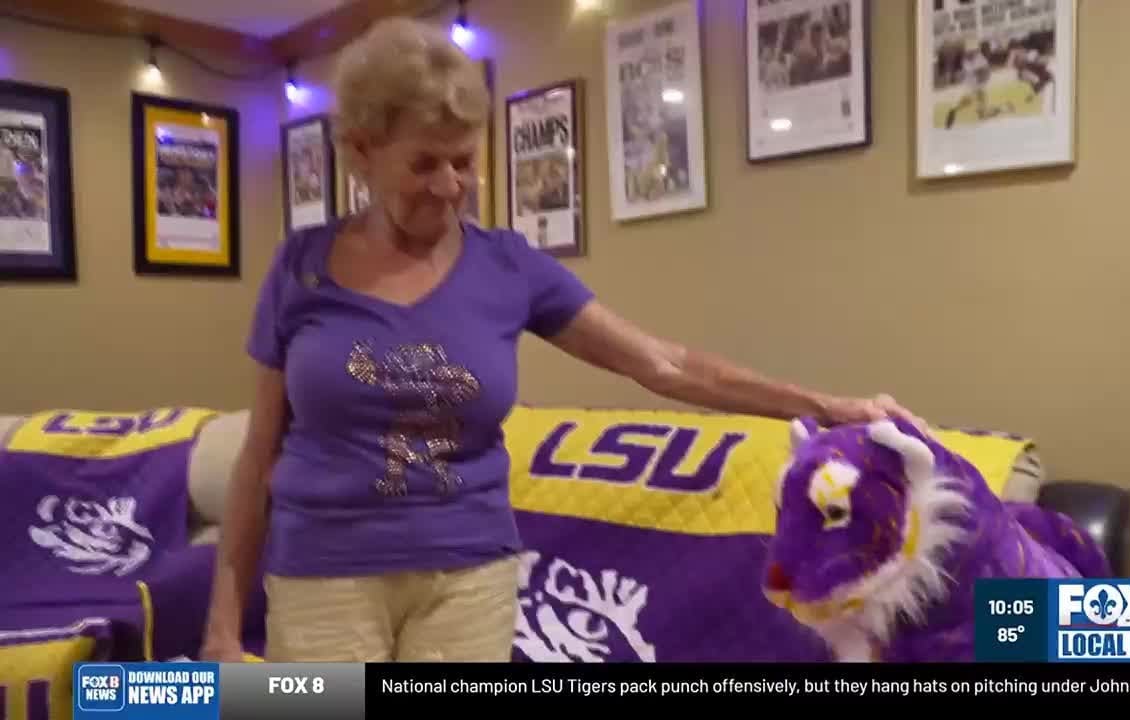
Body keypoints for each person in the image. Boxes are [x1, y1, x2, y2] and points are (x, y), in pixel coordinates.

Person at [199, 16, 927, 664]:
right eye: (424, 163)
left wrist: (829, 405)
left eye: (464, 160)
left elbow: (666, 365)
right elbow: (258, 455)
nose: (451, 186)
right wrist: (222, 632)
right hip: (323, 576)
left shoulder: (508, 266)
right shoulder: (301, 269)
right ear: (361, 154)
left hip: (468, 577)